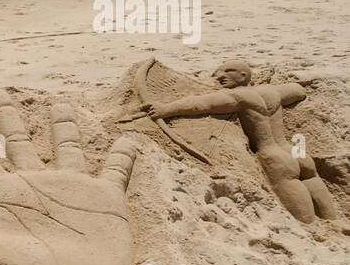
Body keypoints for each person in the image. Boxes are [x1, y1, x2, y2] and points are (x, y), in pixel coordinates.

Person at [137, 60, 342, 225]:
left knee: (295, 198)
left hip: (273, 155)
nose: (220, 76)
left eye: (228, 71)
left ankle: (309, 226)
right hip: (295, 151)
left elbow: (201, 104)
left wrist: (166, 109)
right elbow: (298, 90)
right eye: (218, 72)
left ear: (243, 76)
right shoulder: (273, 91)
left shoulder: (239, 96)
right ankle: (332, 221)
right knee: (310, 176)